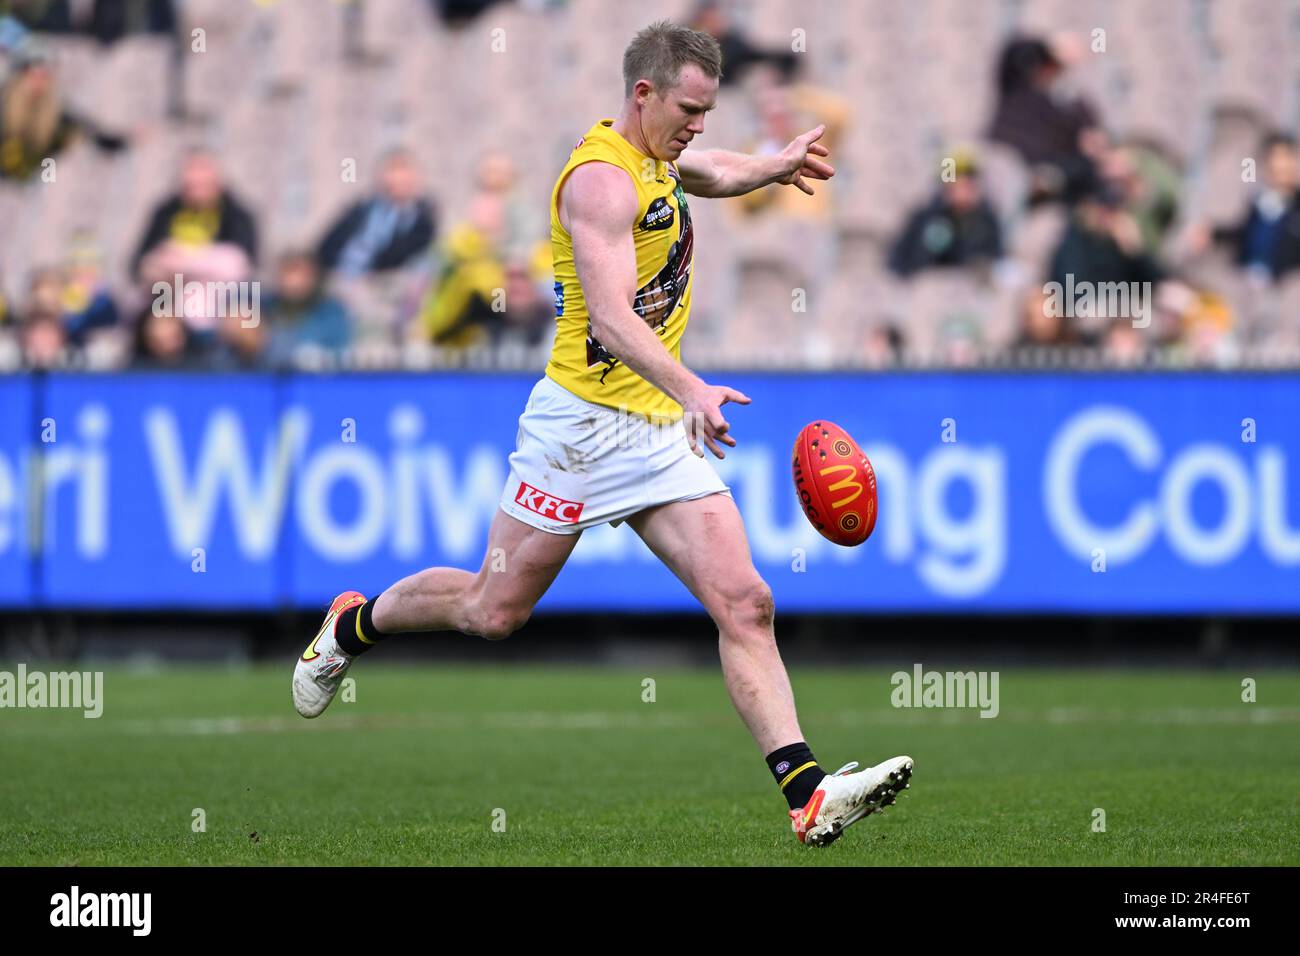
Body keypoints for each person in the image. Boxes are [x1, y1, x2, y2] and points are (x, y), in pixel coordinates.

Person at [292, 20, 912, 848]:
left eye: (709, 109)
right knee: (490, 611)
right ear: (643, 93)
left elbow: (711, 169)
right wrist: (693, 386)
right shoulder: (598, 181)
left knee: (746, 603)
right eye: (689, 107)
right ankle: (352, 624)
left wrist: (773, 164)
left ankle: (806, 791)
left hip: (654, 431)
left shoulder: (659, 156)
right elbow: (614, 321)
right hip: (578, 433)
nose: (699, 123)